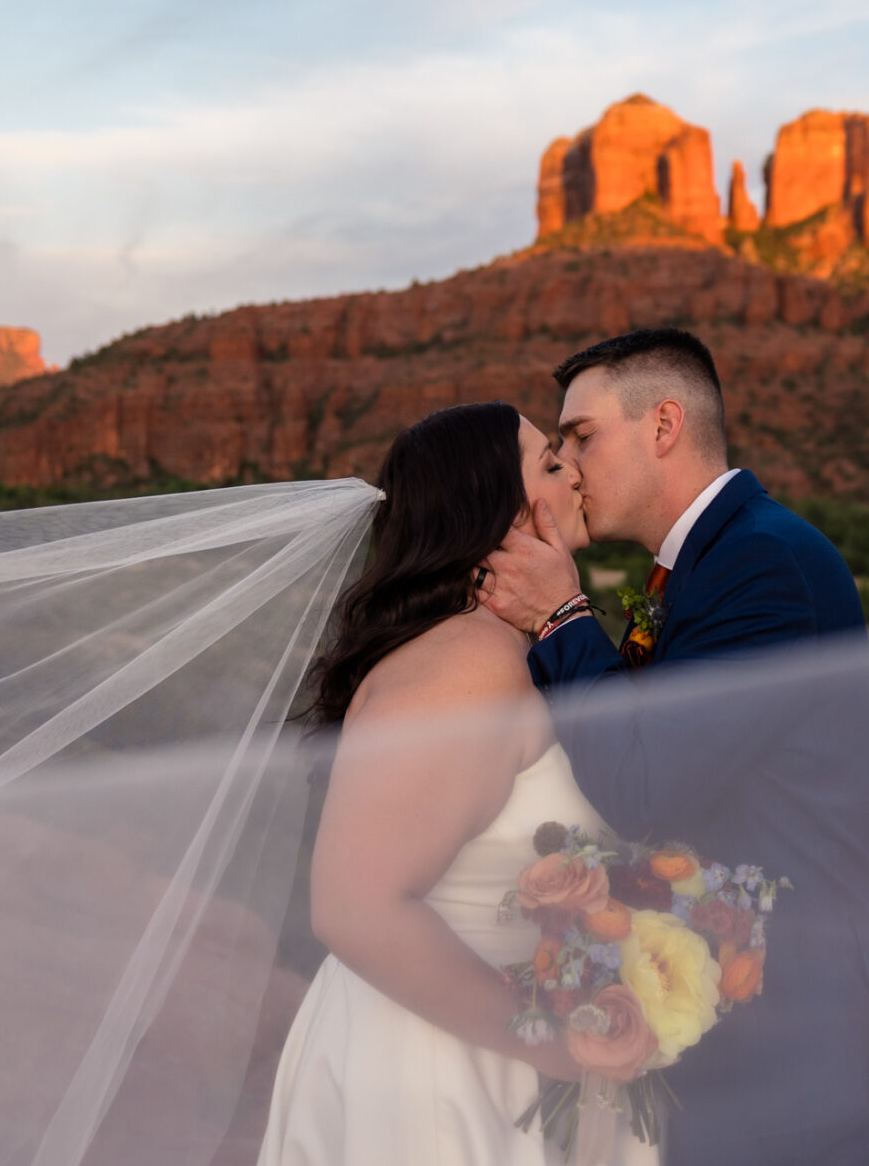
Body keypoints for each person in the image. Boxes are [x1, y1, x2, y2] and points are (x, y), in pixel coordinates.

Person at [481, 328, 869, 1166]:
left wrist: (561, 615)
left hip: (804, 1057)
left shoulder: (762, 563)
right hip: (739, 1039)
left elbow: (646, 785)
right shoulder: (702, 564)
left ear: (663, 425)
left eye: (582, 436)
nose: (568, 465)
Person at [258, 401, 657, 1166]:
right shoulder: (469, 664)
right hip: (436, 1075)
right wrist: (550, 1042)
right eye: (549, 464)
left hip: (481, 1051)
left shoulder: (504, 647)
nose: (574, 472)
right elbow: (354, 908)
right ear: (498, 515)